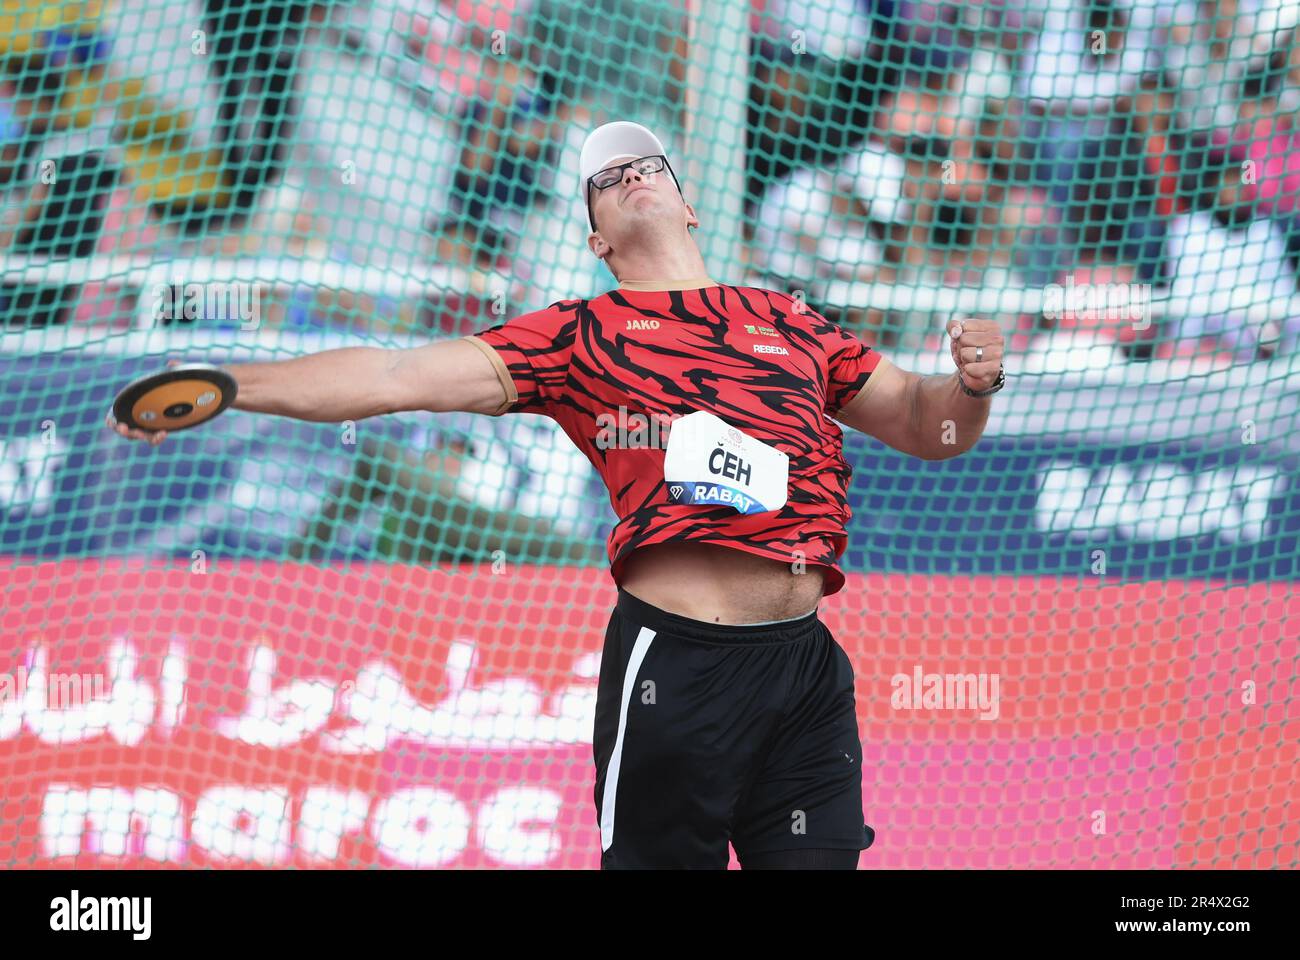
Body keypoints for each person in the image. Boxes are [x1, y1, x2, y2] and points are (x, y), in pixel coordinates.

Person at [107, 121, 1007, 870]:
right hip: (677, 668)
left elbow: (929, 428)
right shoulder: (579, 335)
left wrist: (970, 388)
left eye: (647, 165)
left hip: (805, 668)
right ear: (596, 240)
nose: (630, 177)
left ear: (688, 202)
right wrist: (235, 383)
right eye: (606, 180)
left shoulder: (790, 319)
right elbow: (392, 373)